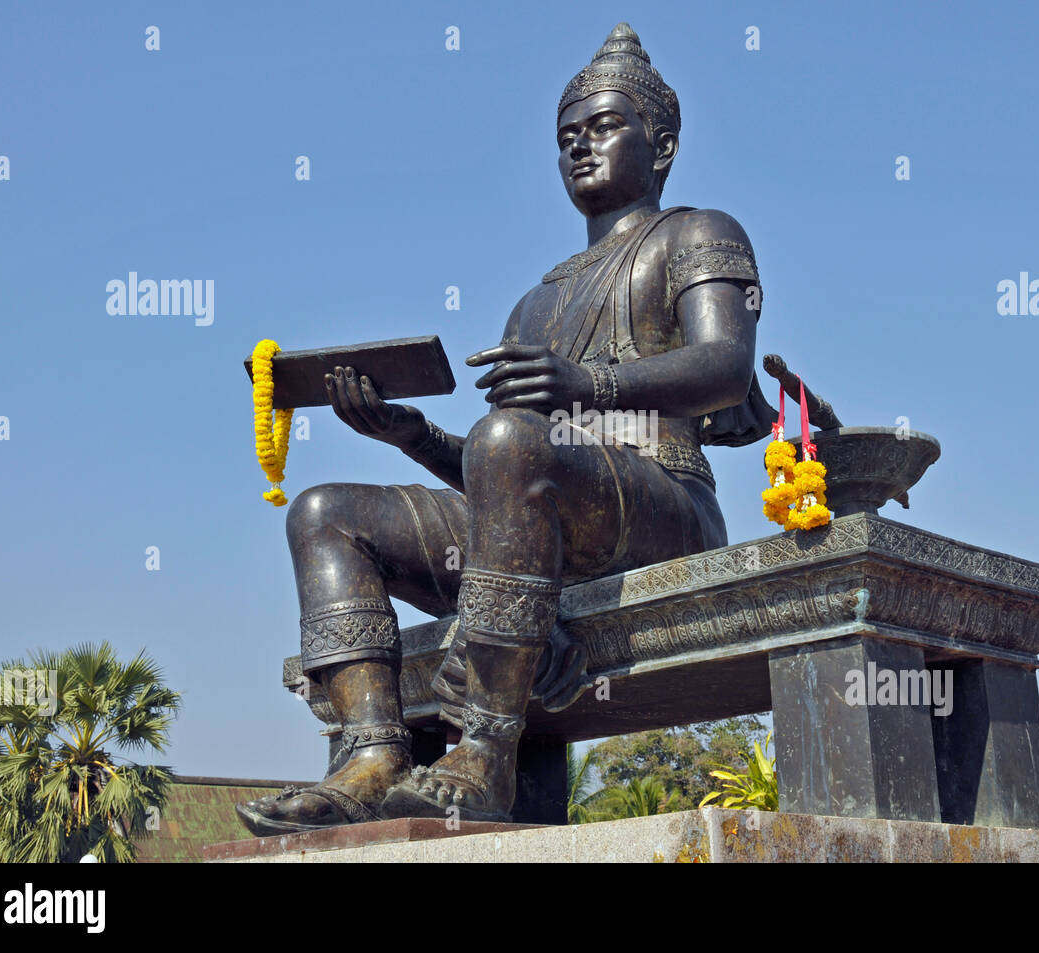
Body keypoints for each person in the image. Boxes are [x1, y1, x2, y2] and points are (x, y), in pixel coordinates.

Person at [238, 22, 774, 833]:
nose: (580, 147)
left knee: (514, 442)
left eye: (604, 127)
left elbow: (726, 364)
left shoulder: (699, 233)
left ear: (661, 145)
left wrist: (587, 383)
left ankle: (486, 746)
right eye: (566, 137)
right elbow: (502, 481)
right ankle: (373, 750)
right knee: (325, 512)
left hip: (663, 505)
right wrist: (412, 435)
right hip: (542, 516)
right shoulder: (535, 303)